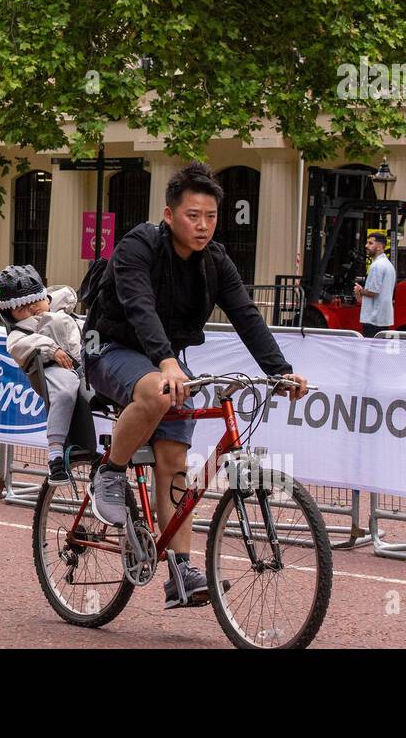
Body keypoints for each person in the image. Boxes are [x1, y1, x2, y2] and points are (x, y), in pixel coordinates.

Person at [83, 162, 309, 609]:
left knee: (174, 462)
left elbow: (246, 315)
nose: (202, 226)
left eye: (210, 216)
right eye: (192, 216)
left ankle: (181, 572)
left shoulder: (216, 261)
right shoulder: (138, 246)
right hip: (109, 348)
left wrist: (279, 371)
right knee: (155, 390)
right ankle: (109, 473)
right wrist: (167, 361)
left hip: (165, 360)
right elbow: (139, 306)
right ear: (169, 215)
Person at [0, 265, 81, 486]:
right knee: (65, 391)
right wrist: (53, 349)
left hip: (86, 365)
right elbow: (23, 345)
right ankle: (55, 456)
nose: (32, 308)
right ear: (9, 313)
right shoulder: (18, 334)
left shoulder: (61, 310)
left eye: (35, 302)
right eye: (22, 307)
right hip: (53, 371)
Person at [353, 232, 395, 338]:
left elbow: (373, 292)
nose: (366, 246)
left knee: (370, 350)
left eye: (370, 243)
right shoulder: (388, 265)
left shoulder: (377, 266)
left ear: (380, 247)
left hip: (373, 318)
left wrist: (360, 291)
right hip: (382, 317)